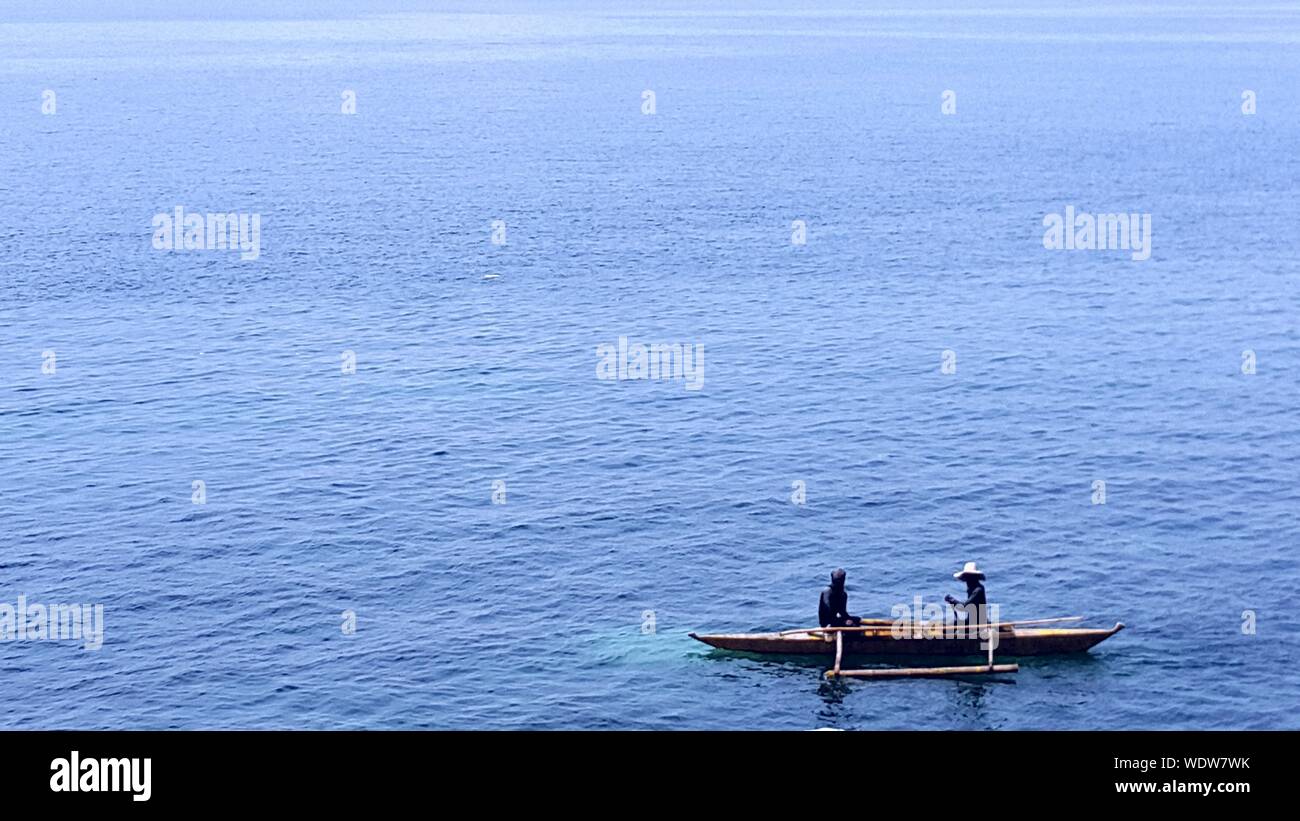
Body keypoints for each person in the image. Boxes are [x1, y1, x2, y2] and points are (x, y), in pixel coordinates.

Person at [944, 561, 988, 629]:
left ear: (974, 577)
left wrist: (953, 601)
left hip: (979, 624)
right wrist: (952, 602)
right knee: (949, 625)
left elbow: (966, 607)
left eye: (968, 577)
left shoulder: (978, 590)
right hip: (972, 622)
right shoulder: (971, 589)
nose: (967, 581)